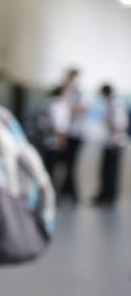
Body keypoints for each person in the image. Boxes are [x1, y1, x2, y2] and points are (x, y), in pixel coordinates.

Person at [93, 84, 128, 205]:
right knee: (106, 170)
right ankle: (105, 194)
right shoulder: (110, 103)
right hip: (110, 142)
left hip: (115, 143)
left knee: (111, 171)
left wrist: (115, 141)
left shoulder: (115, 103)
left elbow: (119, 125)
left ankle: (109, 196)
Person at [58, 68, 86, 202]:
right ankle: (66, 191)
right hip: (67, 133)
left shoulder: (80, 92)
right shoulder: (66, 91)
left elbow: (80, 110)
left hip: (75, 134)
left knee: (70, 164)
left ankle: (72, 193)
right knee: (64, 164)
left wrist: (69, 111)